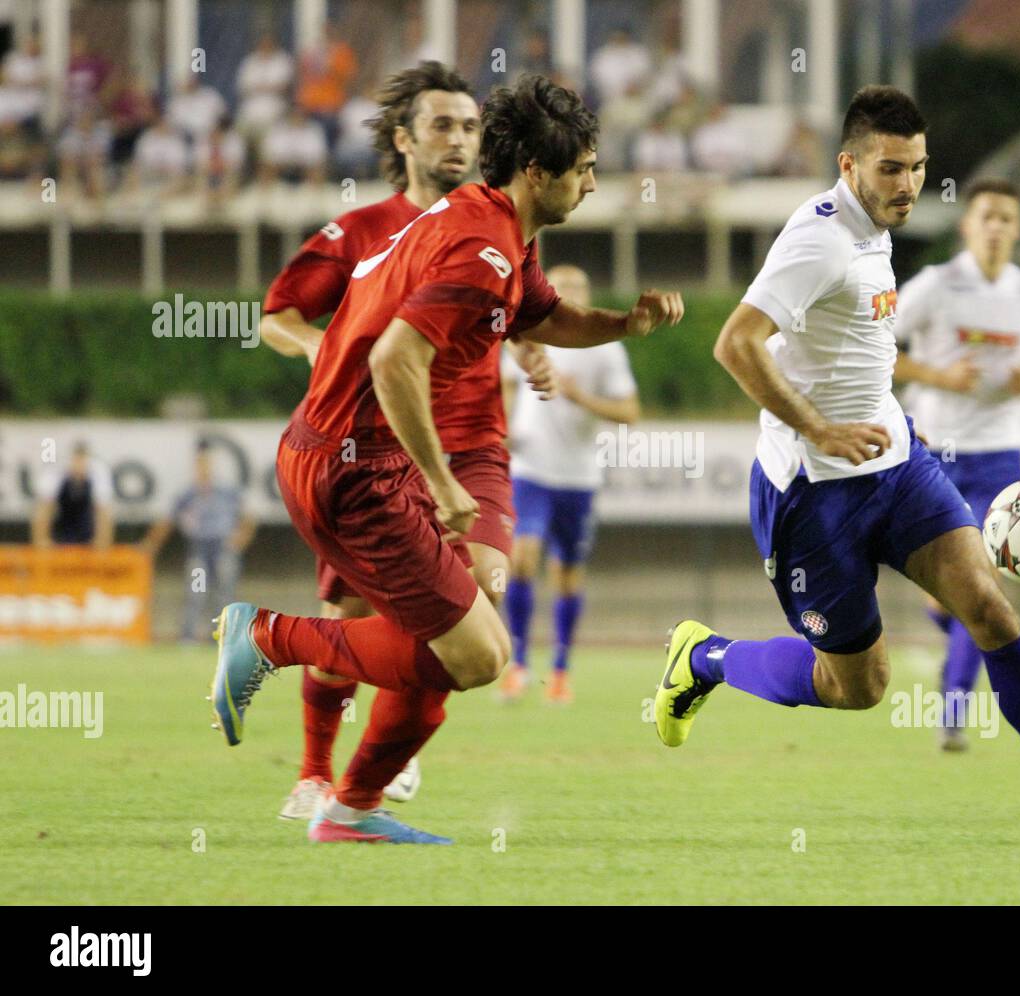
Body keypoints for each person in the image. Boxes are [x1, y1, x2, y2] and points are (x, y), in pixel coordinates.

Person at [652, 86, 1020, 845]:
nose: (908, 185)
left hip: (897, 466)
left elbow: (857, 350)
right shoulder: (817, 238)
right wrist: (817, 427)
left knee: (989, 610)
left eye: (919, 168)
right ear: (849, 163)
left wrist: (883, 415)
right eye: (891, 169)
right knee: (856, 688)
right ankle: (706, 659)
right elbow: (737, 343)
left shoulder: (875, 233)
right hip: (811, 496)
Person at [214, 75, 682, 846]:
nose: (594, 182)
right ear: (538, 170)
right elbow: (394, 362)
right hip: (354, 468)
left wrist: (623, 325)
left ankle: (353, 807)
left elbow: (541, 316)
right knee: (471, 654)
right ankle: (267, 642)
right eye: (586, 167)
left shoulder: (496, 225)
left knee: (476, 641)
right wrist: (440, 483)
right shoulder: (479, 243)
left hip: (347, 457)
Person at [261, 61, 558, 820]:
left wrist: (530, 345)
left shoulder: (497, 224)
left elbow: (515, 311)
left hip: (468, 446)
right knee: (354, 618)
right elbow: (278, 315)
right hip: (369, 447)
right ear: (404, 138)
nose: (459, 140)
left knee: (474, 606)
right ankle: (315, 776)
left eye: (470, 126)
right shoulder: (361, 229)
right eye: (442, 125)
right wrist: (322, 349)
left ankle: (375, 780)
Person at [892, 178, 1020, 751]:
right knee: (951, 599)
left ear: (1017, 229)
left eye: (1007, 219)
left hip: (1002, 454)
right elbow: (878, 348)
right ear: (968, 225)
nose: (996, 227)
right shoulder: (937, 286)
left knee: (984, 580)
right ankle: (950, 626)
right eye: (987, 215)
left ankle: (952, 712)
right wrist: (939, 376)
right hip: (936, 451)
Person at [499, 265, 641, 704]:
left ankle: (560, 670)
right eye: (563, 288)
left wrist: (581, 397)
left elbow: (629, 412)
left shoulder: (604, 349)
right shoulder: (528, 334)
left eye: (580, 287)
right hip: (530, 467)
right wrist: (503, 431)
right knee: (521, 558)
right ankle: (519, 663)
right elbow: (506, 387)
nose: (573, 294)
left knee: (565, 575)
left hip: (578, 475)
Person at [140, 442, 256, 642]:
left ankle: (223, 637)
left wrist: (241, 538)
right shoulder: (188, 494)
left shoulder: (226, 491)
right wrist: (150, 544)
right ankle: (189, 636)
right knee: (197, 592)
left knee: (224, 593)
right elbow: (167, 521)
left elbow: (249, 516)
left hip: (223, 549)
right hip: (199, 550)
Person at [31, 441, 113, 549]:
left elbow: (104, 513)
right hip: (60, 530)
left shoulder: (98, 472)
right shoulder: (55, 472)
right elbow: (43, 510)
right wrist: (42, 541)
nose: (79, 466)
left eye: (82, 461)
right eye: (76, 461)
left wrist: (102, 542)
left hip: (87, 531)